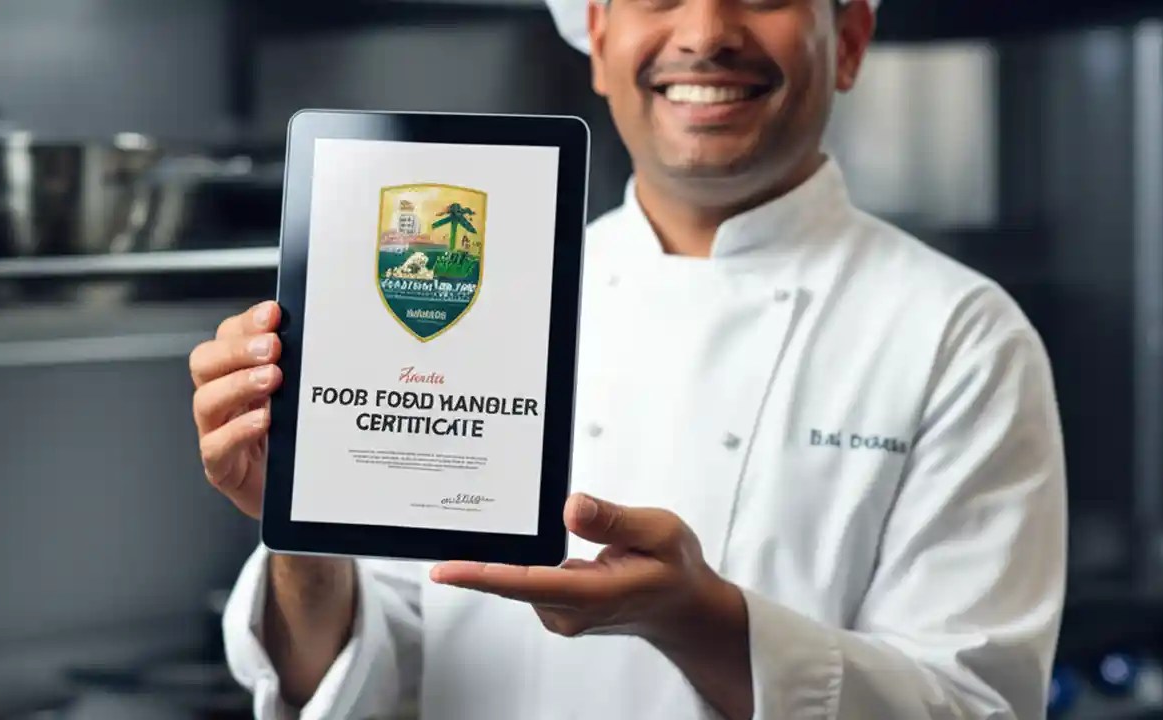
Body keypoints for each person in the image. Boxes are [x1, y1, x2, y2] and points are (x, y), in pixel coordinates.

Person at [188, 0, 1067, 717]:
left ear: (849, 42)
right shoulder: (497, 292)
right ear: (599, 40)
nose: (706, 32)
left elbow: (974, 705)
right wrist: (303, 524)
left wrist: (708, 625)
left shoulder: (960, 334)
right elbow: (364, 678)